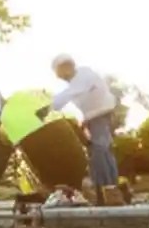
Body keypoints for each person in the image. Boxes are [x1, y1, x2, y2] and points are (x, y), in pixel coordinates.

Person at [36, 54, 120, 204]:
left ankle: (107, 191)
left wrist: (47, 109)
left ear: (66, 68)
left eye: (59, 73)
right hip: (95, 117)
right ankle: (109, 190)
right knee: (101, 151)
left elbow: (69, 94)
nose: (59, 77)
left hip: (101, 116)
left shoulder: (83, 75)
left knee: (100, 151)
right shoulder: (79, 80)